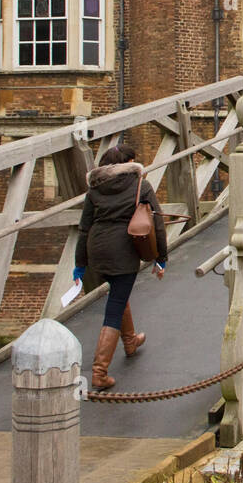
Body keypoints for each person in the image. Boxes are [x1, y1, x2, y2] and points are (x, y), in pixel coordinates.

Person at [74, 144, 169, 389]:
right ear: (129, 163)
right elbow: (157, 224)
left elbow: (84, 228)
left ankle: (130, 342)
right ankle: (99, 373)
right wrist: (161, 258)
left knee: (119, 294)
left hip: (97, 250)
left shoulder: (94, 190)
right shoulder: (140, 186)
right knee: (114, 308)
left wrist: (80, 264)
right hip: (123, 251)